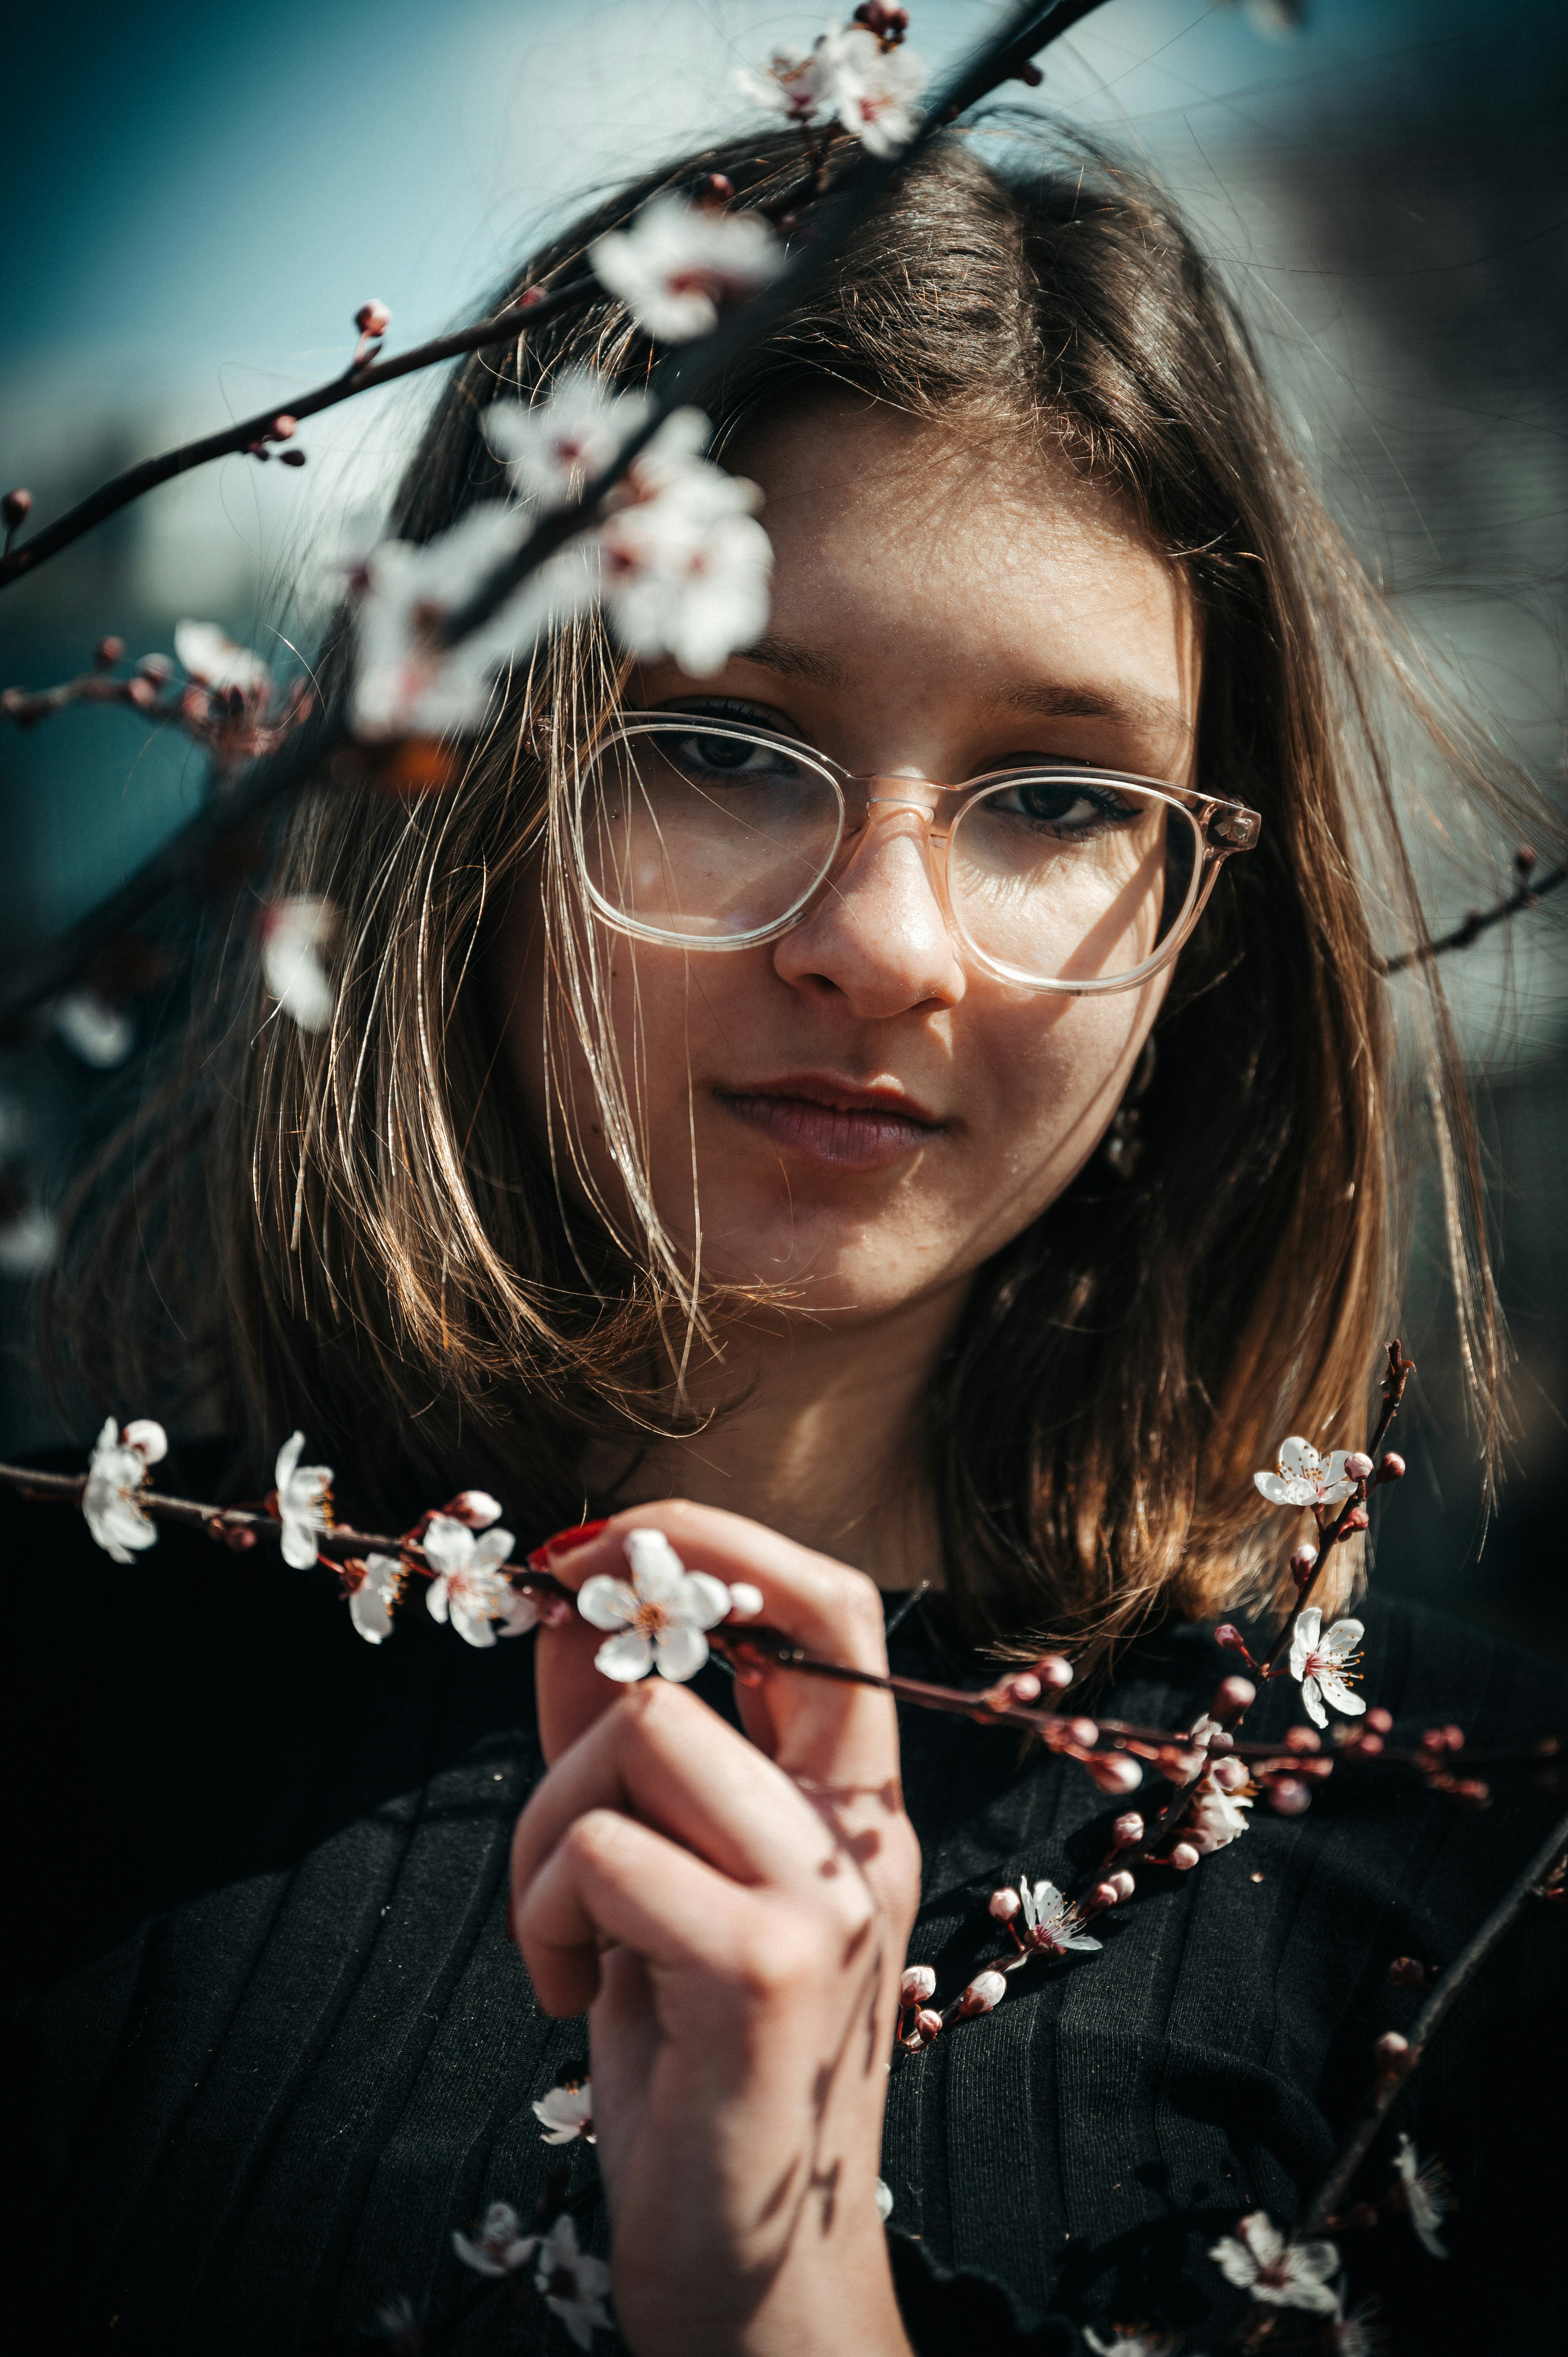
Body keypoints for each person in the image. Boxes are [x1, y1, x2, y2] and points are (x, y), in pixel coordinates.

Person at [6, 128, 1564, 2357]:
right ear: (477, 799)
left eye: (1055, 800)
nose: (884, 944)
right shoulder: (60, 1718)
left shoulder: (1487, 1877)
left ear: (1203, 921)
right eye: (725, 741)